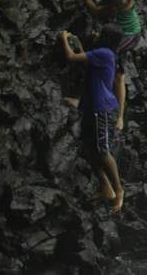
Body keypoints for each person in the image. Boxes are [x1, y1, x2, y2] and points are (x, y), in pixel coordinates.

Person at [55, 0, 141, 113]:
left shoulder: (119, 3)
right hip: (121, 30)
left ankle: (87, 100)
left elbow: (95, 11)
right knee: (109, 66)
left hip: (128, 36)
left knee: (104, 65)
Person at [60, 28, 124, 212]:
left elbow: (71, 58)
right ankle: (106, 187)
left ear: (105, 38)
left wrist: (64, 38)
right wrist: (77, 43)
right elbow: (84, 57)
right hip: (92, 107)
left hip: (101, 109)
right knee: (89, 148)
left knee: (102, 150)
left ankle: (119, 190)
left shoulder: (104, 54)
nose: (95, 34)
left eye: (99, 33)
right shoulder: (105, 54)